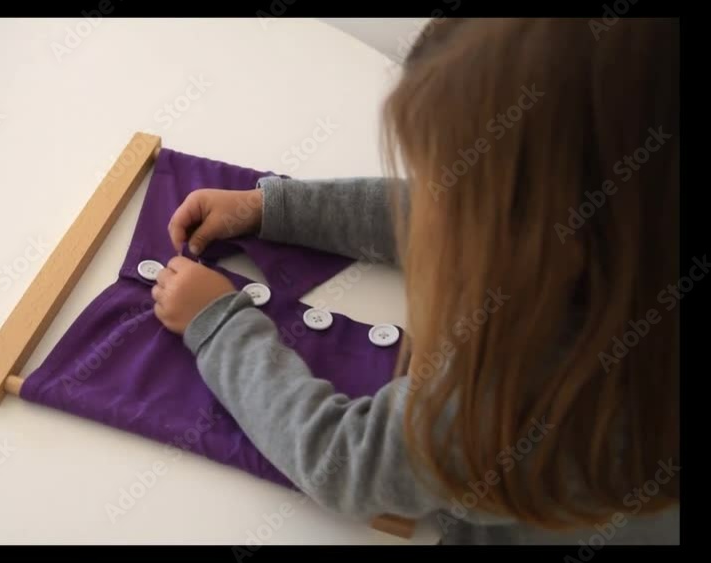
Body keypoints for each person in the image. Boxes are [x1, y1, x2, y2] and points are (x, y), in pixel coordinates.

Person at [149, 18, 679, 545]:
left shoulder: (509, 407)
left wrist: (217, 325)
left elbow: (343, 462)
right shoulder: (632, 226)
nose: (430, 206)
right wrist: (272, 209)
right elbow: (450, 211)